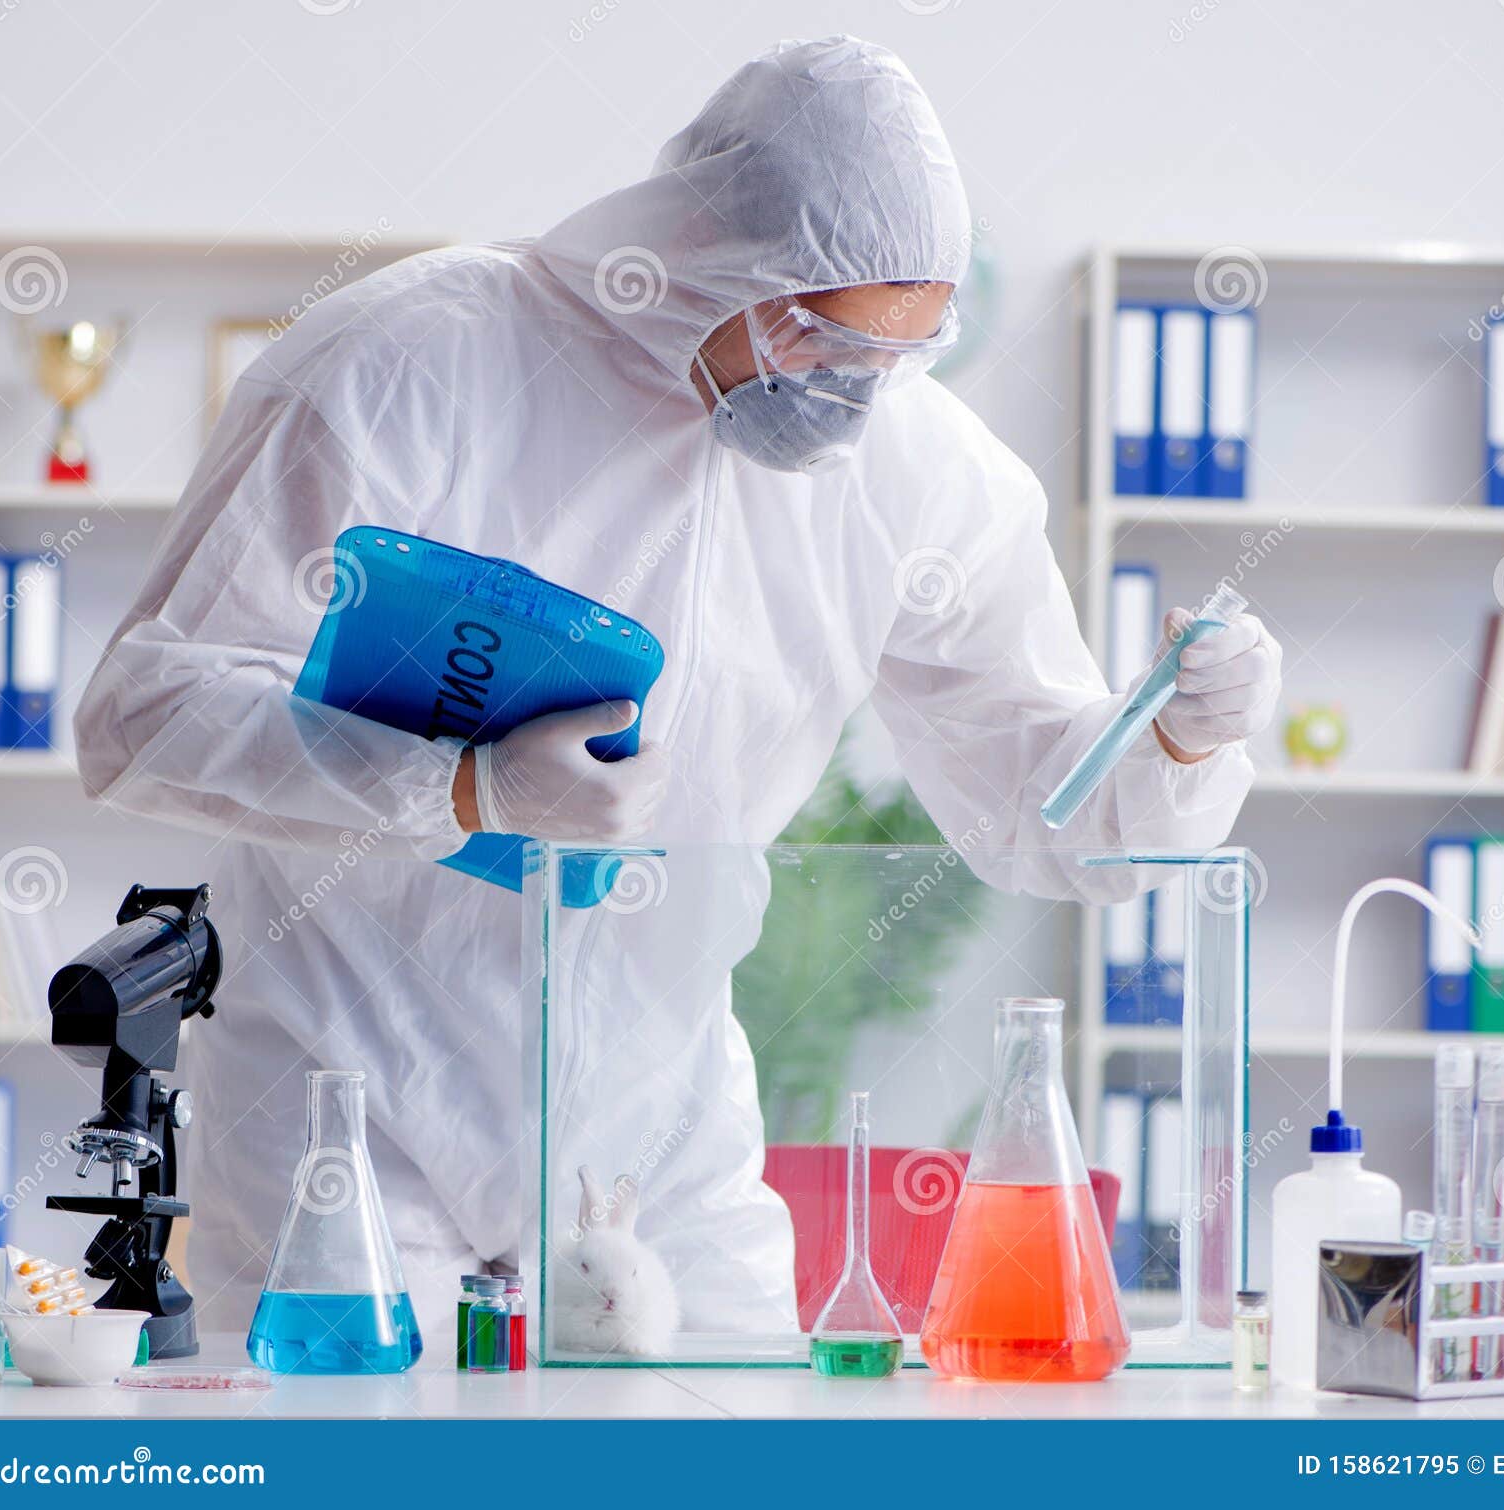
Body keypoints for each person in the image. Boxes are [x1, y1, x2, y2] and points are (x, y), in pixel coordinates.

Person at [75, 36, 1280, 1343]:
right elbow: (145, 715)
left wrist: (1174, 740)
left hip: (664, 1141)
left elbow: (1047, 813)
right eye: (821, 338)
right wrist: (461, 788)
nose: (848, 395)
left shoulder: (919, 469)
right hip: (351, 1099)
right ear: (708, 248)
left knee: (730, 1429)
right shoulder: (414, 360)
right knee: (369, 1442)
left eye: (894, 355)